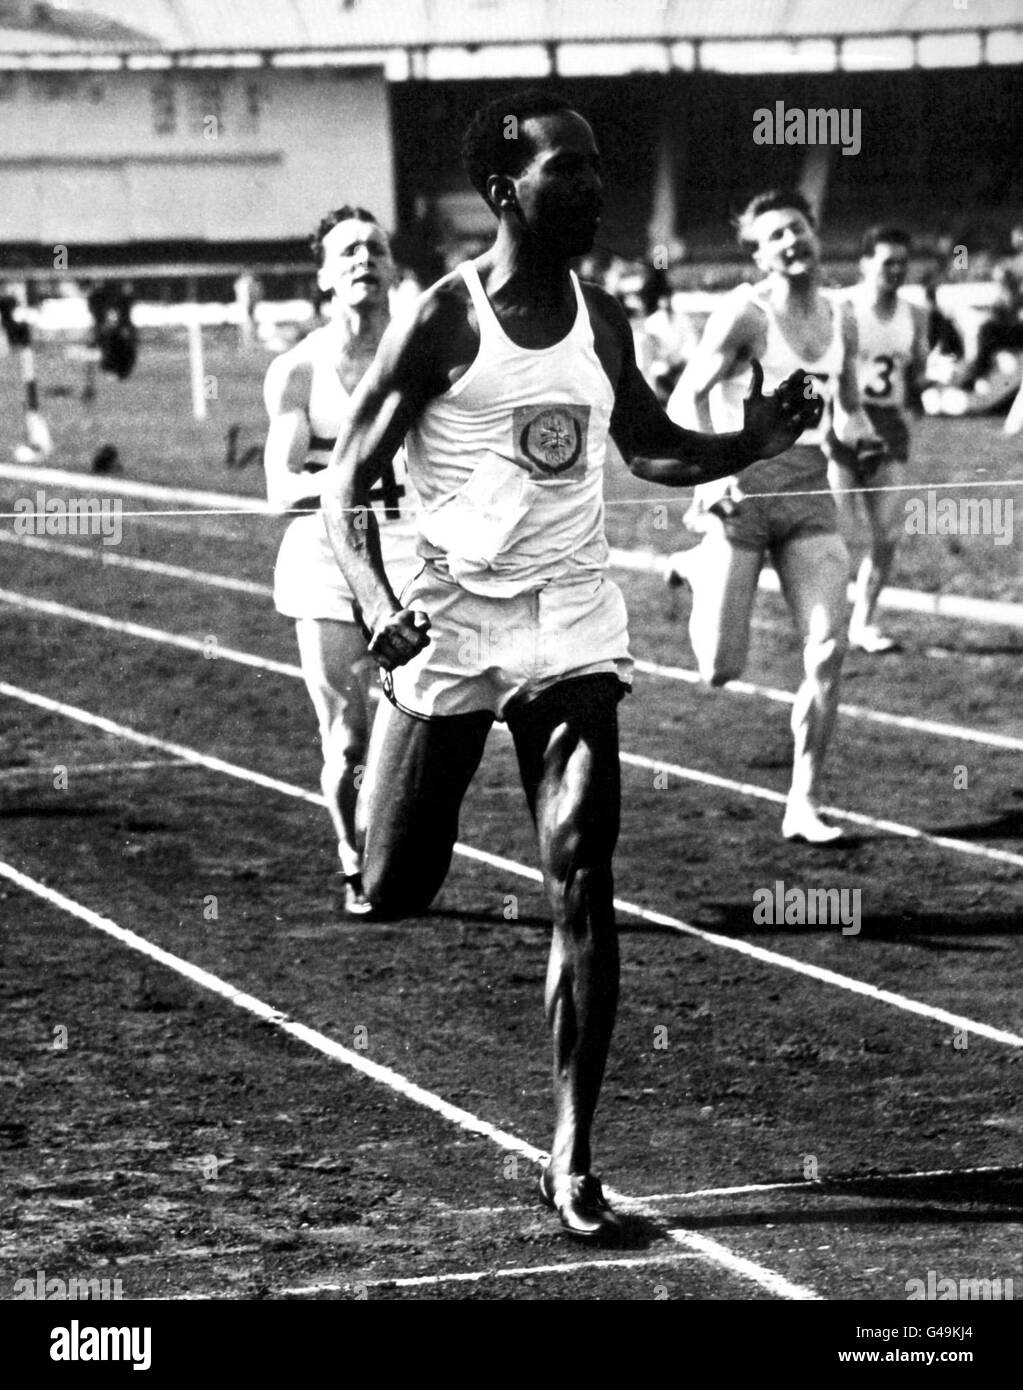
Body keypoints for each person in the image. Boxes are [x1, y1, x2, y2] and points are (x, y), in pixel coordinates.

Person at [321, 93, 820, 1240]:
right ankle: (370, 795)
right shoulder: (444, 321)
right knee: (397, 882)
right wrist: (381, 605)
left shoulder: (602, 316)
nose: (594, 187)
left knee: (583, 870)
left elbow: (645, 442)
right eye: (569, 171)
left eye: (600, 169)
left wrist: (760, 438)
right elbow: (348, 480)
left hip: (571, 625)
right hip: (447, 625)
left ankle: (572, 1155)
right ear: (507, 190)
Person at [663, 189, 883, 844]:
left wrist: (860, 436)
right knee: (718, 669)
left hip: (809, 495)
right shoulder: (744, 313)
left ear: (815, 233)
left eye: (796, 229)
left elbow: (846, 405)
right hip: (742, 494)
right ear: (758, 254)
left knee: (827, 648)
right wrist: (710, 478)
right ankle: (698, 565)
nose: (790, 242)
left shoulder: (841, 315)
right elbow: (684, 395)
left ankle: (803, 801)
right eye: (774, 237)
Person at [263, 206, 420, 916]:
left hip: (413, 561)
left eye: (375, 247)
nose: (363, 258)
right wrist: (343, 484)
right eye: (347, 250)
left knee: (416, 729)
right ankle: (355, 859)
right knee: (349, 740)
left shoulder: (427, 353)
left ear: (393, 266)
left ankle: (395, 851)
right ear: (325, 275)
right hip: (326, 567)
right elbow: (278, 489)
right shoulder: (299, 370)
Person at [826, 227, 929, 653]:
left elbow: (916, 369)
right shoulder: (842, 306)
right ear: (866, 263)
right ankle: (826, 621)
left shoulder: (916, 313)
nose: (896, 270)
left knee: (886, 536)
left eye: (902, 262)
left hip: (887, 427)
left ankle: (863, 624)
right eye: (888, 261)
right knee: (834, 534)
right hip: (845, 424)